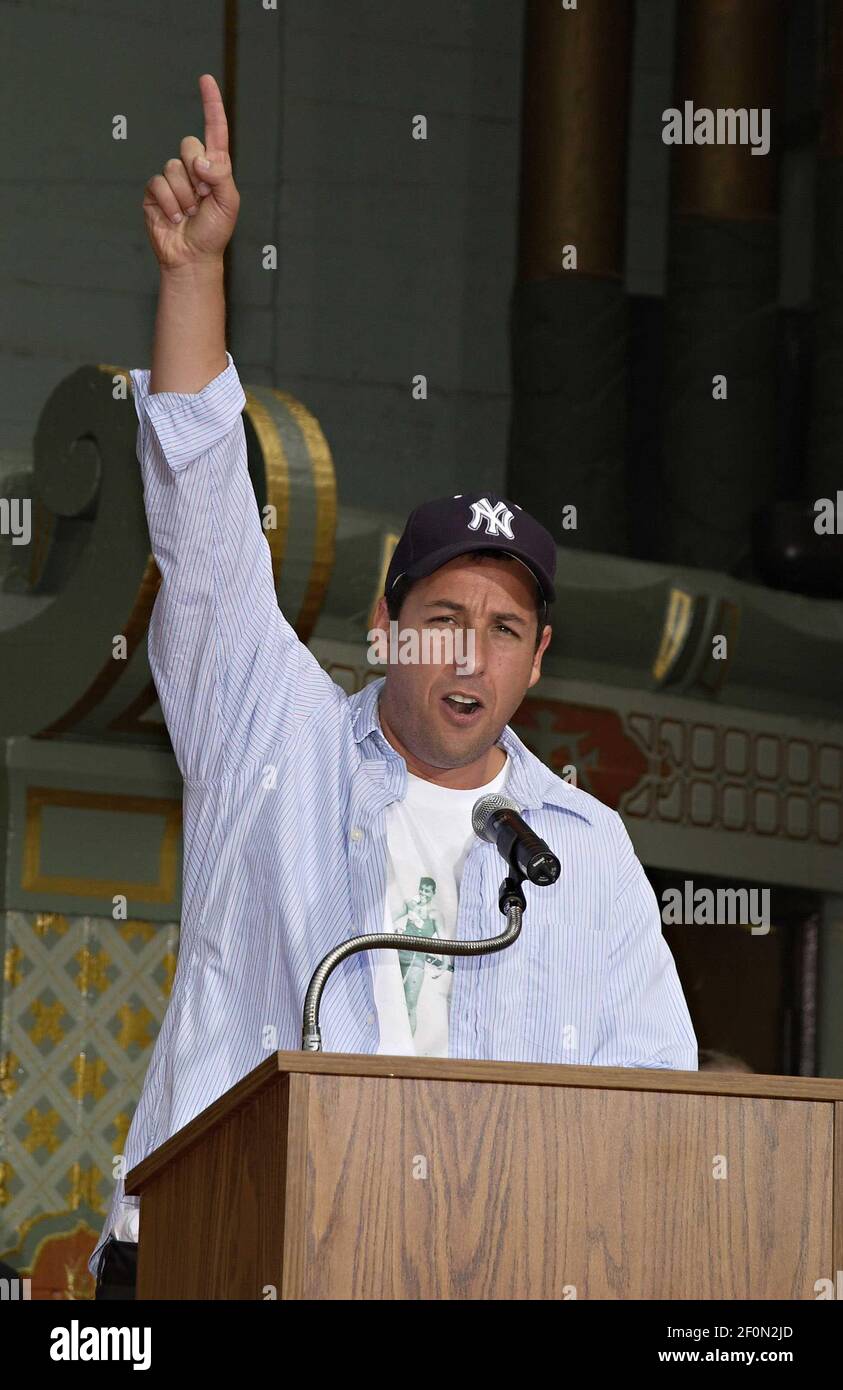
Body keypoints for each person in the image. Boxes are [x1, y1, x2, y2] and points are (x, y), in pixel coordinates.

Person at [91, 73, 698, 1296]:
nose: (468, 656)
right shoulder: (272, 729)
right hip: (214, 1256)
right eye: (441, 620)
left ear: (537, 657)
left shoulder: (586, 853)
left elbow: (660, 1119)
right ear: (385, 627)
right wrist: (194, 273)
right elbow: (203, 514)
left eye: (504, 627)